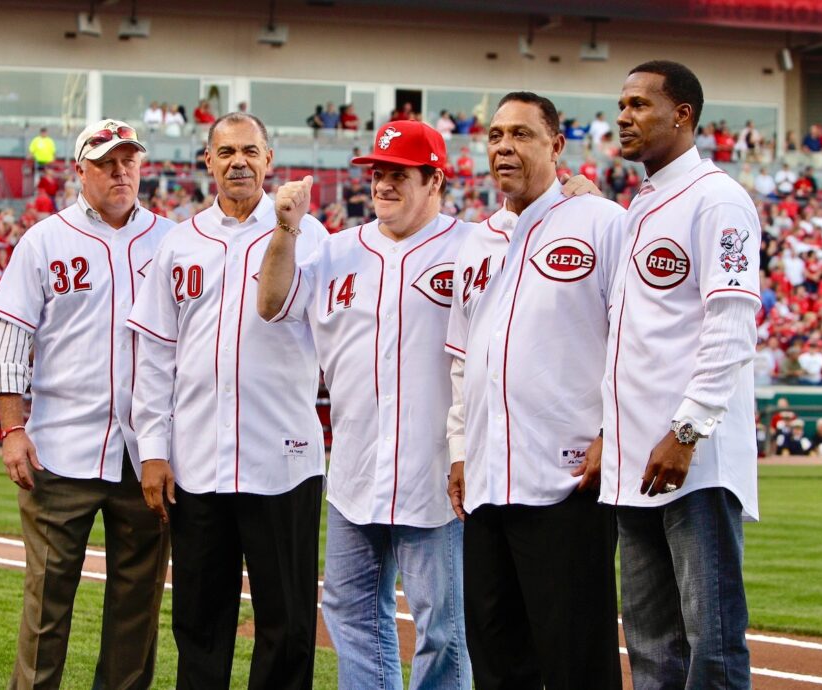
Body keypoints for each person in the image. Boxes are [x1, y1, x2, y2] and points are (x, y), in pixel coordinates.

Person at [257, 119, 473, 689]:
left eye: (398, 174)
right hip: (356, 467)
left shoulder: (473, 246)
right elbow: (273, 303)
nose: (382, 184)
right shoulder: (336, 249)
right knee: (350, 613)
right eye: (377, 172)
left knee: (444, 629)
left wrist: (579, 199)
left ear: (435, 180)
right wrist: (285, 229)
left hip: (437, 473)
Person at [128, 112, 326, 690]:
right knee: (199, 621)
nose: (238, 161)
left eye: (250, 151)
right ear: (207, 161)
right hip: (198, 461)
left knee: (287, 625)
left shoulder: (310, 236)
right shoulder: (179, 243)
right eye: (226, 152)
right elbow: (155, 355)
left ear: (269, 160)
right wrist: (153, 451)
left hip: (282, 459)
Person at [444, 92, 624, 690]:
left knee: (576, 659)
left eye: (520, 134)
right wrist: (460, 449)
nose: (503, 147)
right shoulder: (476, 241)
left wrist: (610, 434)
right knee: (495, 658)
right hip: (490, 480)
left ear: (555, 145)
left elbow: (632, 341)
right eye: (495, 135)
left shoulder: (602, 223)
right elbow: (462, 361)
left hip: (568, 479)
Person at [0, 119, 172, 689]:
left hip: (147, 452)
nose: (120, 172)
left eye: (129, 161)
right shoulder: (44, 239)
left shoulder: (173, 239)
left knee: (136, 609)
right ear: (80, 171)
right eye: (106, 162)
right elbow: (11, 338)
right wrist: (12, 429)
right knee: (46, 608)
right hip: (60, 449)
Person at [602, 60, 759, 690]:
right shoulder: (641, 204)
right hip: (635, 461)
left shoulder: (718, 198)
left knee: (712, 645)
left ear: (683, 114)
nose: (624, 116)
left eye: (640, 104)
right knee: (649, 647)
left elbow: (731, 324)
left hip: (691, 462)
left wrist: (687, 431)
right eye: (622, 104)